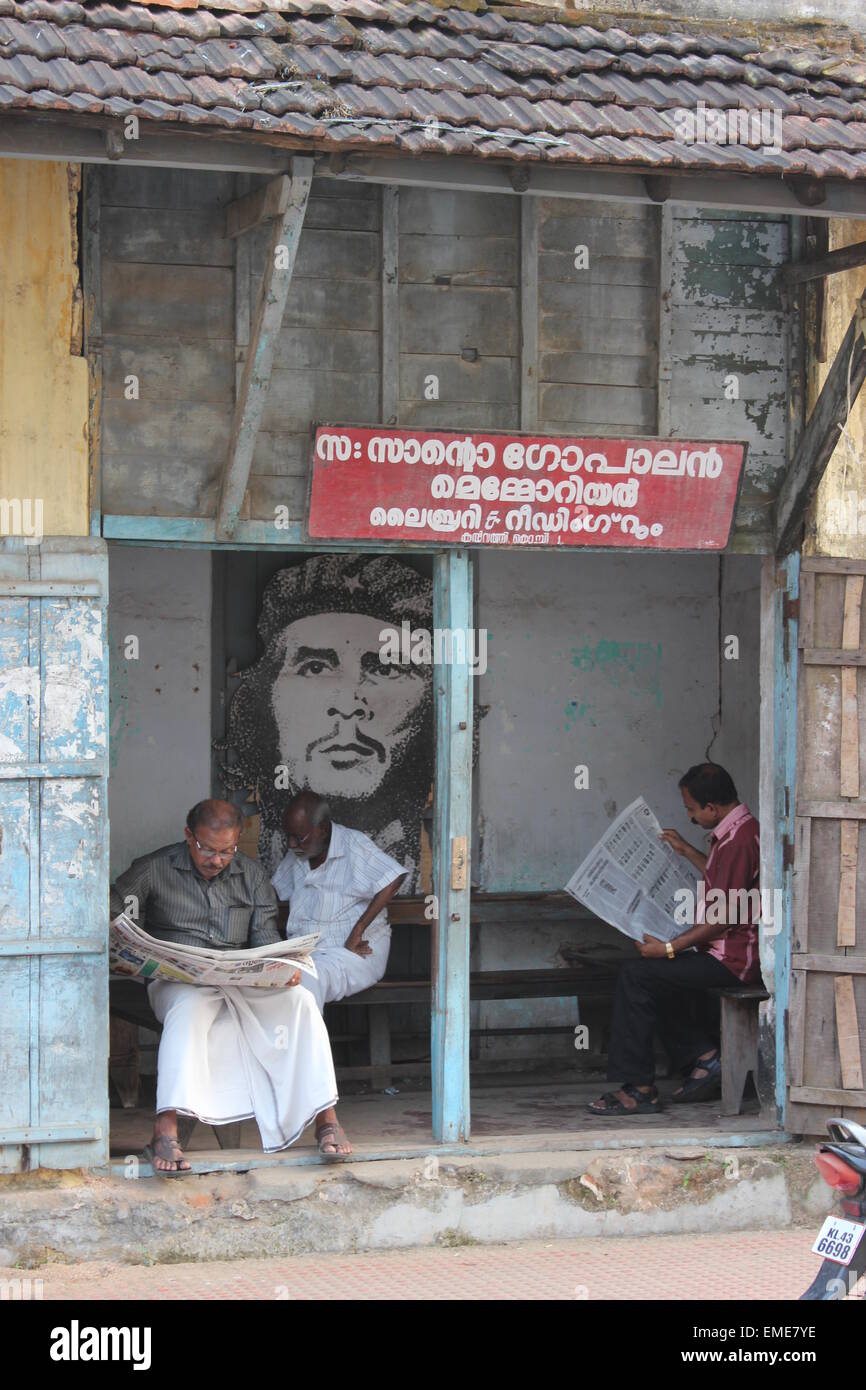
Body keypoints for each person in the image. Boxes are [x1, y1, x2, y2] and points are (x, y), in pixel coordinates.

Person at [110, 799, 350, 1172]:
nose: (217, 860)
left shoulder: (251, 876)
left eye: (227, 851)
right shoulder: (154, 869)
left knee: (301, 1001)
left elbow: (266, 940)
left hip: (237, 981)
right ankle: (165, 1130)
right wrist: (123, 950)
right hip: (179, 982)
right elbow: (109, 909)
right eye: (207, 849)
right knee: (189, 1011)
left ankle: (327, 1119)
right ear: (189, 836)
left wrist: (279, 967)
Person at [223, 555, 434, 890]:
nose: (348, 706)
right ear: (265, 698)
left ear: (428, 705)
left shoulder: (443, 863)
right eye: (316, 668)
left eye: (384, 669)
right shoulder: (233, 854)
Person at [588, 763, 762, 1116]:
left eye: (691, 809)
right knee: (654, 977)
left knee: (638, 977)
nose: (690, 817)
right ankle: (704, 1056)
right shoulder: (739, 831)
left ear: (711, 807)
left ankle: (639, 1088)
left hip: (733, 959)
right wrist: (687, 852)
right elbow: (724, 882)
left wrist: (669, 947)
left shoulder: (738, 841)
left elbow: (724, 916)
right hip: (723, 952)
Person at [272, 791, 406, 1150]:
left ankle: (321, 1111)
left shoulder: (354, 845)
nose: (292, 844)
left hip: (352, 952)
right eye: (288, 836)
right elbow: (275, 894)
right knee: (275, 985)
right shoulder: (300, 851)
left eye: (299, 837)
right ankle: (282, 1095)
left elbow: (393, 878)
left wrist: (358, 930)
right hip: (305, 950)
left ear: (324, 829)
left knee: (302, 987)